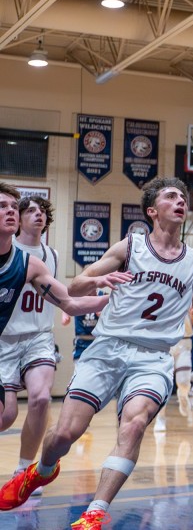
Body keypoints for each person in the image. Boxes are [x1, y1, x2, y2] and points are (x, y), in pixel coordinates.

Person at [0, 177, 193, 528]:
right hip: (107, 349)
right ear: (152, 211)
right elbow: (74, 285)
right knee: (65, 434)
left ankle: (95, 512)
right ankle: (40, 471)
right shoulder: (130, 247)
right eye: (171, 196)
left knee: (133, 425)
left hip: (154, 357)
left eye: (183, 197)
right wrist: (99, 280)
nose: (180, 201)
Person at [0, 195, 62, 482]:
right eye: (31, 211)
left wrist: (69, 309)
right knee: (7, 415)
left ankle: (25, 469)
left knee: (40, 398)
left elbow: (57, 294)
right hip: (6, 338)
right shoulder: (8, 250)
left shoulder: (53, 255)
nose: (38, 215)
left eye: (42, 211)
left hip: (38, 336)